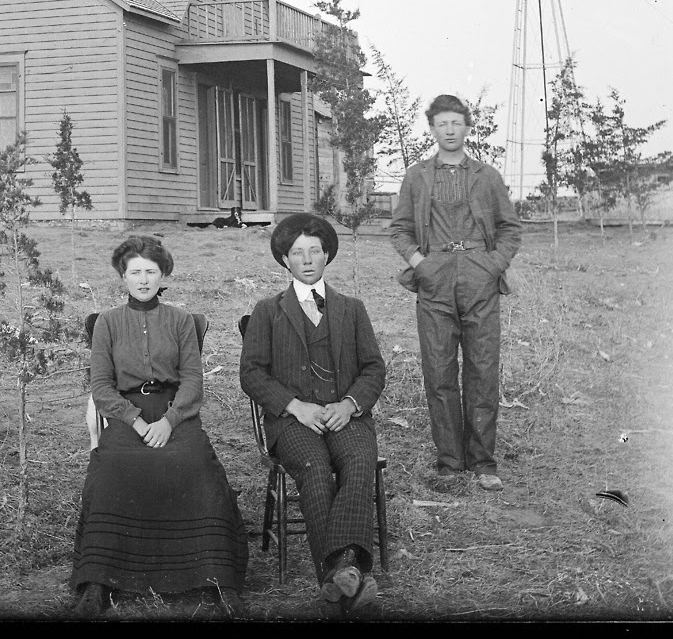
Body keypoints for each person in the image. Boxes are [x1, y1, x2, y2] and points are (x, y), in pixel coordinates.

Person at [71, 235, 249, 619]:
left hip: (175, 411)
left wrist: (170, 421)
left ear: (163, 274)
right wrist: (134, 420)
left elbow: (193, 381)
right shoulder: (107, 323)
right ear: (123, 276)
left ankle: (219, 579)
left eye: (150, 271)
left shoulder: (182, 320)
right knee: (113, 468)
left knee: (197, 466)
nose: (143, 279)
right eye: (135, 272)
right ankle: (98, 582)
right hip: (125, 412)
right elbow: (101, 387)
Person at [239, 213, 385, 613]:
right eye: (297, 253)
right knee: (314, 468)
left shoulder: (352, 309)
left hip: (345, 416)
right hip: (292, 421)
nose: (307, 259)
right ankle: (349, 569)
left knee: (359, 460)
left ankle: (339, 577)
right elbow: (251, 373)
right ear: (285, 260)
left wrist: (350, 403)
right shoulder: (267, 311)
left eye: (315, 251)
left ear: (327, 256)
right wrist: (294, 406)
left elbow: (374, 367)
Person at [388, 94, 522, 493]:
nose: (449, 130)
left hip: (480, 279)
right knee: (439, 370)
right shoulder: (417, 176)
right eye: (441, 123)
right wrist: (422, 265)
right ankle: (449, 460)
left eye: (456, 123)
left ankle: (483, 461)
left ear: (467, 128)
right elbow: (399, 229)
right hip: (435, 280)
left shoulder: (487, 176)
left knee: (483, 370)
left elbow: (510, 228)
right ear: (432, 129)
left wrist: (493, 265)